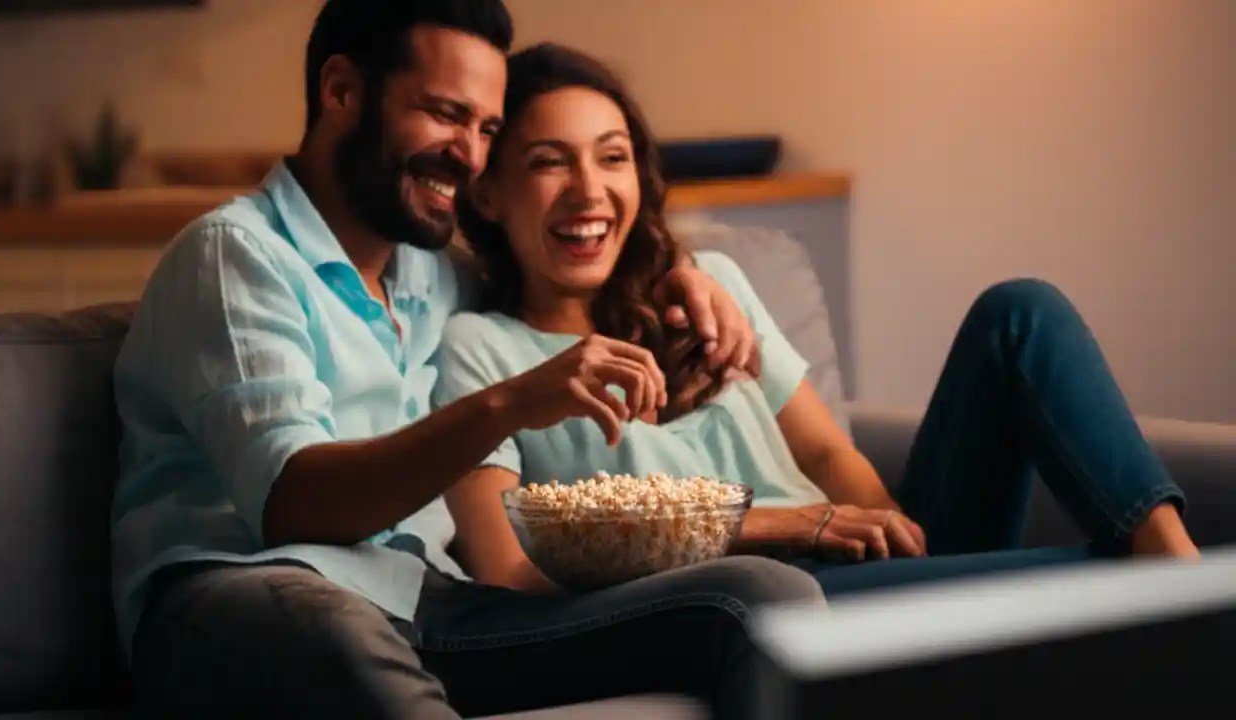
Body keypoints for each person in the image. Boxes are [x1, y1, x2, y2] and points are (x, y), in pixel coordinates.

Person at [110, 2, 827, 718]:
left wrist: (680, 277)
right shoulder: (232, 256)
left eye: (486, 129)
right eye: (445, 114)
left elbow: (565, 273)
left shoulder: (435, 274)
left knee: (765, 597)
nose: (473, 154)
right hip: (247, 594)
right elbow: (293, 504)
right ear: (341, 93)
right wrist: (508, 404)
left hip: (434, 604)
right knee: (329, 628)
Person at [434, 42, 1200, 602]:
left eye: (612, 157)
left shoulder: (707, 289)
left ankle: (1178, 568)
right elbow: (508, 569)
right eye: (547, 162)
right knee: (1103, 582)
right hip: (771, 595)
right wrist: (796, 526)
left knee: (1020, 312)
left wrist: (902, 543)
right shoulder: (483, 352)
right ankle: (1182, 600)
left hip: (858, 557)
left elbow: (828, 452)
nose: (589, 191)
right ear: (489, 194)